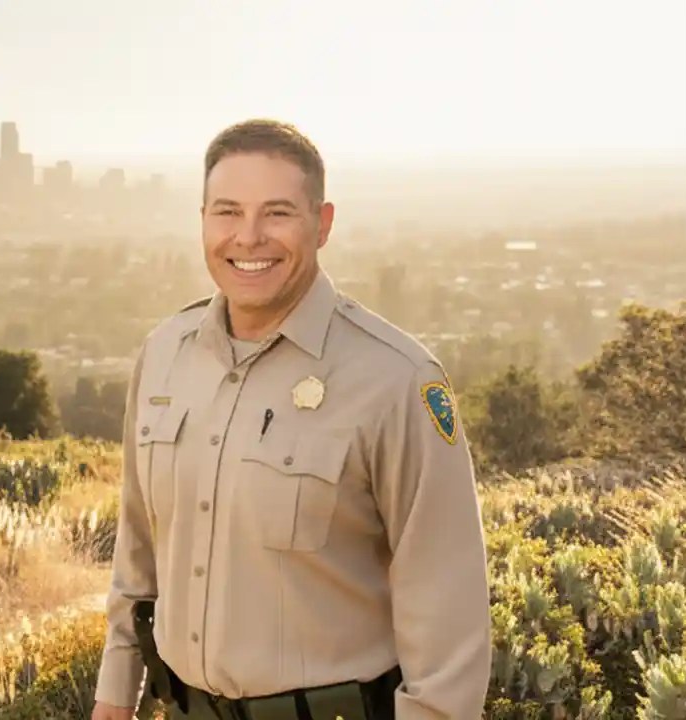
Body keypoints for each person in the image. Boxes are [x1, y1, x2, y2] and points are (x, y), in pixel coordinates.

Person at [91, 119, 492, 720]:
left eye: (277, 213)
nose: (248, 238)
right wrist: (114, 696)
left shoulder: (396, 380)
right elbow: (139, 549)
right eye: (227, 212)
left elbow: (449, 619)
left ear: (322, 224)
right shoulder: (165, 355)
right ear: (202, 218)